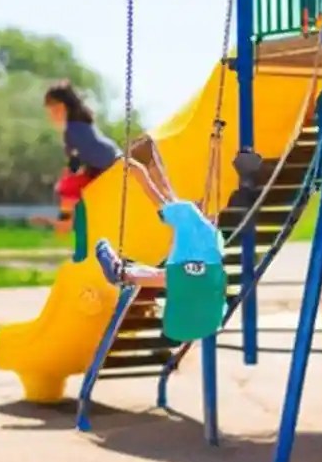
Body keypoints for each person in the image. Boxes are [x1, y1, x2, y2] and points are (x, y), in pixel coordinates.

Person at [93, 135, 227, 342]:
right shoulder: (197, 295)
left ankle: (148, 169)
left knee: (181, 213)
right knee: (181, 213)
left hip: (198, 263)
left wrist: (126, 272)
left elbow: (157, 277)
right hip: (202, 262)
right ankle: (150, 167)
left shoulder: (187, 287)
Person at [41, 81, 123, 233]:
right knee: (68, 184)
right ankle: (68, 220)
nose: (51, 116)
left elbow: (77, 159)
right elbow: (78, 157)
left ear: (63, 108)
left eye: (53, 111)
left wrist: (71, 173)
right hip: (105, 160)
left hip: (107, 163)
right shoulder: (79, 123)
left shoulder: (73, 129)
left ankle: (66, 222)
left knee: (67, 186)